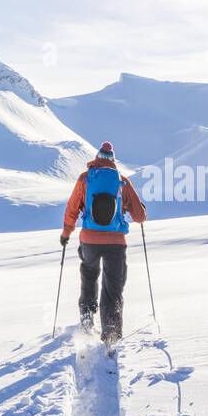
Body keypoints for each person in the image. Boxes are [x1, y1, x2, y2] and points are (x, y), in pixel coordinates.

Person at [60, 140, 146, 346]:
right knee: (113, 287)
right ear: (113, 160)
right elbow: (140, 217)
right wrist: (138, 207)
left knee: (89, 276)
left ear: (97, 157)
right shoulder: (122, 181)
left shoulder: (85, 179)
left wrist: (66, 233)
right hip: (116, 242)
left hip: (89, 239)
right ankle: (112, 332)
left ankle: (87, 319)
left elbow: (72, 208)